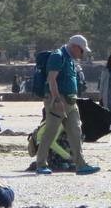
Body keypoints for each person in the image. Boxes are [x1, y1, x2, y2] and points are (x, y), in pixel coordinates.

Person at [34, 36, 99, 176]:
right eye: (82, 51)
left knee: (76, 132)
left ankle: (80, 165)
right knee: (51, 132)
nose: (82, 54)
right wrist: (56, 100)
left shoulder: (70, 58)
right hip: (57, 99)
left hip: (71, 100)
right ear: (75, 47)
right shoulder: (58, 56)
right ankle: (40, 164)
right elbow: (51, 79)